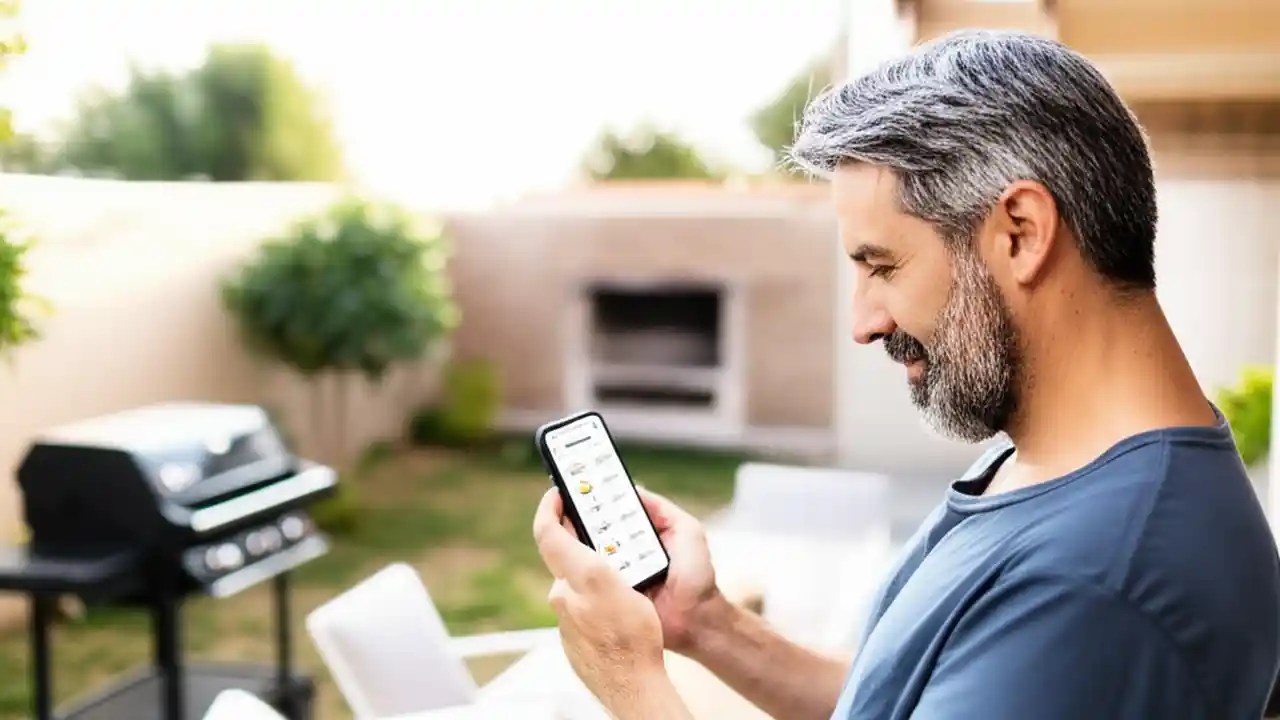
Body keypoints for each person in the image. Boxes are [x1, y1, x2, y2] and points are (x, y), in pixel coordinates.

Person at [532, 29, 1280, 719]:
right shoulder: (1041, 460)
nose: (865, 322)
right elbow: (900, 696)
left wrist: (631, 680)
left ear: (1019, 233)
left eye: (882, 266)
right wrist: (706, 624)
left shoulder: (1098, 584)